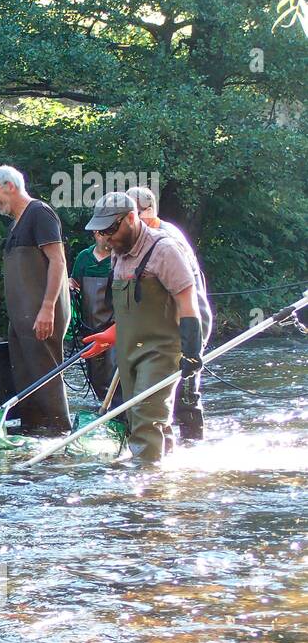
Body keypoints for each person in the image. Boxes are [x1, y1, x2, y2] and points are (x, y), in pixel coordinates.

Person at [83, 192, 202, 462]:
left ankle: (144, 493)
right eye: (101, 231)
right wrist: (110, 335)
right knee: (140, 418)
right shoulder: (117, 253)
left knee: (146, 419)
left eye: (111, 229)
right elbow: (128, 308)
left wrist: (192, 352)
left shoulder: (165, 250)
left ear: (131, 218)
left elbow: (188, 303)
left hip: (160, 350)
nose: (106, 237)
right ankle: (166, 478)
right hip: (128, 350)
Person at [0, 164, 72, 434]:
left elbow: (57, 261)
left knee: (46, 377)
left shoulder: (39, 213)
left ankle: (59, 434)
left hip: (42, 314)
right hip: (21, 318)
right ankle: (33, 432)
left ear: (10, 186)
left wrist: (47, 309)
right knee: (25, 378)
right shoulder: (15, 224)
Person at [126, 186, 212, 442]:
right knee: (159, 393)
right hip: (161, 322)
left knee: (185, 391)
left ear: (148, 211)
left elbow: (183, 297)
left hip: (188, 321)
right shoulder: (143, 237)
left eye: (131, 215)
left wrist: (189, 345)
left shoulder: (166, 239)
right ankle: (167, 447)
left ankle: (192, 449)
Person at [69, 226, 117, 402]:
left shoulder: (120, 257)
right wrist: (69, 286)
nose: (111, 237)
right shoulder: (84, 258)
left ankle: (118, 411)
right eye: (106, 233)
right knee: (96, 376)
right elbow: (74, 283)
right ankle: (105, 407)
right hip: (89, 326)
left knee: (114, 372)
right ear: (96, 234)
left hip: (114, 327)